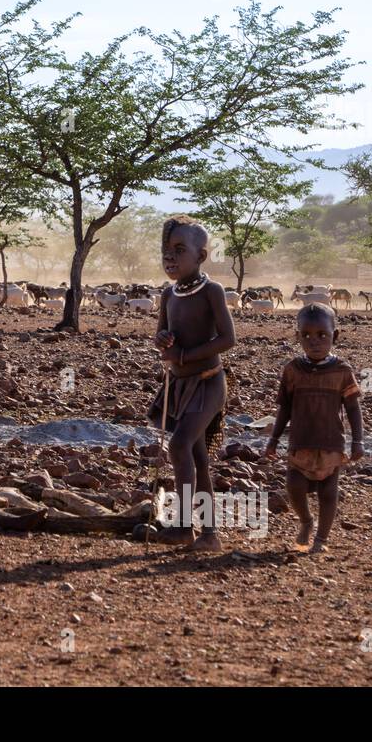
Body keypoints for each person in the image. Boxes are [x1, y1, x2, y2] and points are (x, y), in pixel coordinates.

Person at [146, 216, 235, 551]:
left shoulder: (212, 291)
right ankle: (207, 534)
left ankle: (186, 527)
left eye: (179, 250)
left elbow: (228, 339)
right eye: (166, 251)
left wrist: (185, 357)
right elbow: (161, 335)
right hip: (180, 387)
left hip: (209, 384)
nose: (170, 257)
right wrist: (164, 340)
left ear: (201, 256)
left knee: (180, 448)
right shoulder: (169, 294)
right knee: (197, 459)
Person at [264, 302, 365, 553]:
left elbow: (353, 408)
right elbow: (284, 409)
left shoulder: (342, 371)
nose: (314, 342)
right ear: (297, 336)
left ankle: (321, 540)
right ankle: (306, 521)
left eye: (322, 335)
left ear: (335, 336)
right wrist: (274, 439)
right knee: (294, 486)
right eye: (306, 335)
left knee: (329, 493)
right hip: (301, 442)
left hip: (331, 443)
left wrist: (358, 441)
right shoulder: (292, 370)